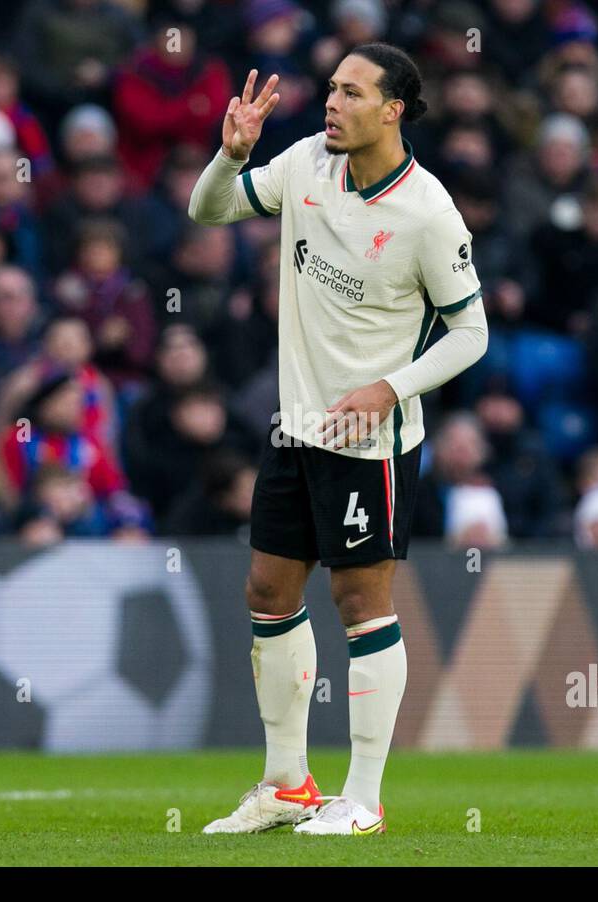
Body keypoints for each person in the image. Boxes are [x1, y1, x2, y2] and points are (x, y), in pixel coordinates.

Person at [188, 46, 488, 835]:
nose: (331, 103)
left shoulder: (427, 210)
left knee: (360, 602)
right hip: (296, 426)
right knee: (267, 591)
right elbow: (207, 211)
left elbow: (472, 334)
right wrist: (232, 155)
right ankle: (286, 784)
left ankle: (363, 799)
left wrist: (391, 388)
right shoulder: (306, 166)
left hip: (372, 439)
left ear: (393, 109)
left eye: (351, 93)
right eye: (330, 89)